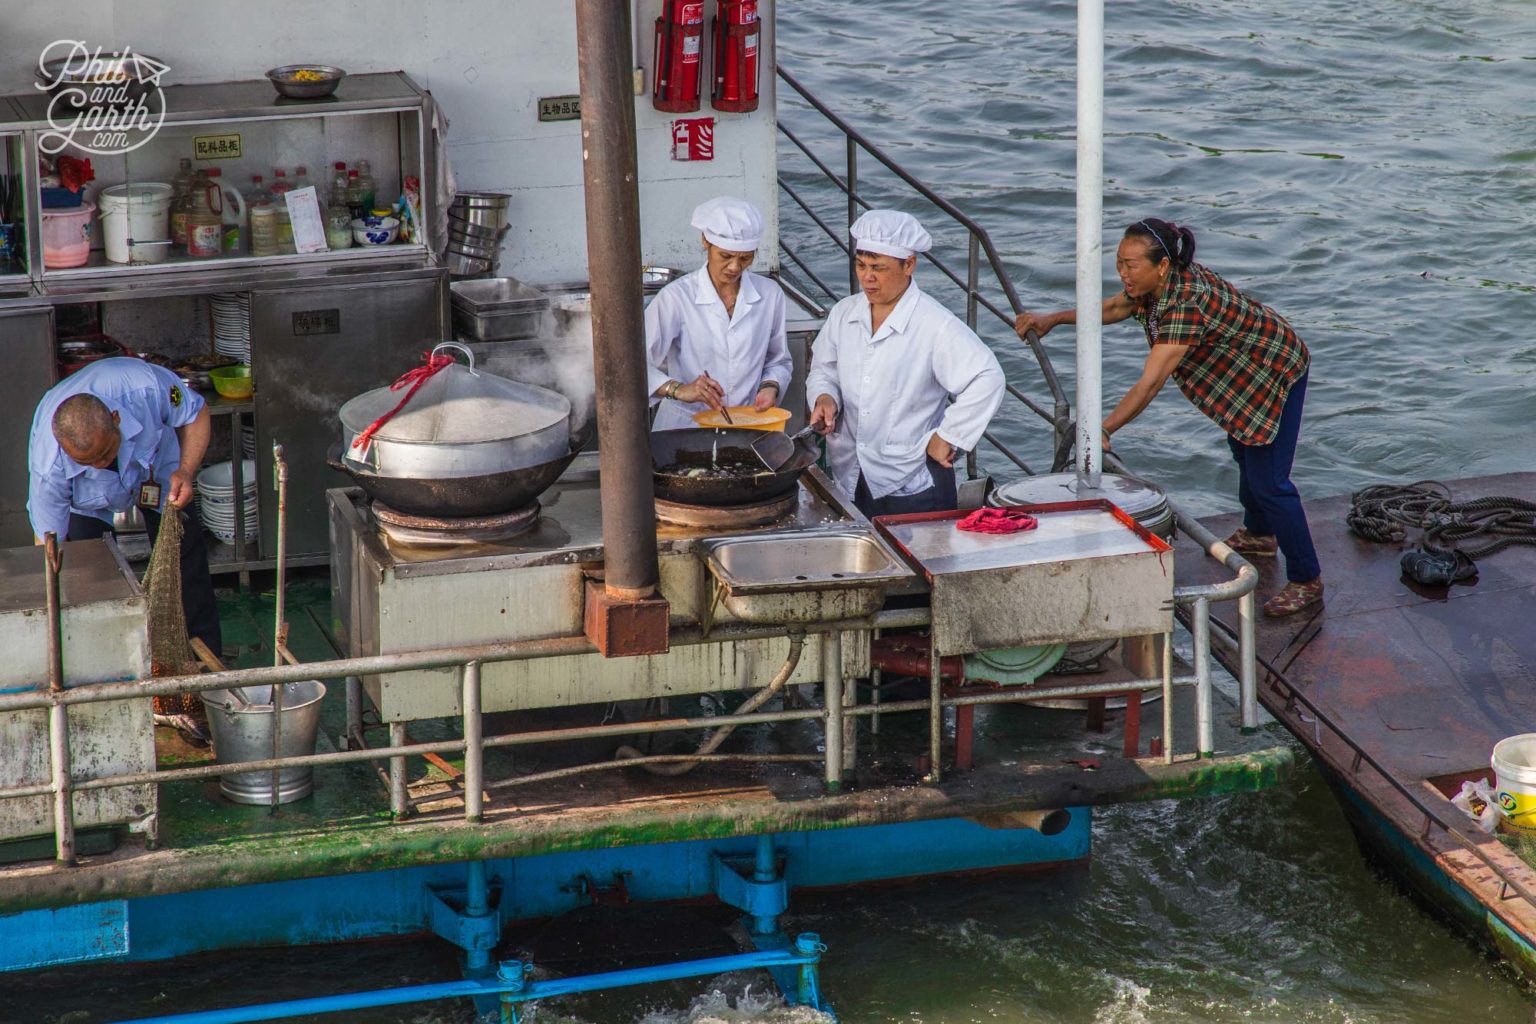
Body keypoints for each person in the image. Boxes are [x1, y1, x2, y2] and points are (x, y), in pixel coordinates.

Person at [1015, 217, 1322, 618]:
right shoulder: (1151, 286)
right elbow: (1112, 307)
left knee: (1271, 484)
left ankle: (1306, 578)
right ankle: (1261, 535)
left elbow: (1150, 382)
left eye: (1131, 265)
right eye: (1119, 263)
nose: (1123, 274)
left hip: (1273, 371)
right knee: (1244, 453)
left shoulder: (1185, 302)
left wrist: (1103, 427)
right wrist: (1052, 318)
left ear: (1161, 266)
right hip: (1239, 379)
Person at [805, 209, 1005, 518]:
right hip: (852, 474)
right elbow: (824, 368)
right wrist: (824, 397)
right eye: (861, 265)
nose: (867, 277)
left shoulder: (934, 324)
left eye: (878, 268)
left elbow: (987, 377)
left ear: (908, 264)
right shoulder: (844, 314)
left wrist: (948, 436)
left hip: (913, 483)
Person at [28, 356, 223, 654]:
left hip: (157, 469)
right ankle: (112, 663)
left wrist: (185, 470)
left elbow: (195, 413)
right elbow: (48, 545)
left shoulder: (146, 387)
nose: (100, 464)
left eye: (105, 454)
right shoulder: (48, 468)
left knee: (186, 560)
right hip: (87, 503)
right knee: (91, 581)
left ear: (116, 419)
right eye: (88, 462)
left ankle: (205, 661)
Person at [645, 196, 793, 432]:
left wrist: (770, 386)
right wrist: (679, 390)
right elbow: (632, 364)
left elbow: (778, 360)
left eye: (745, 258)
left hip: (747, 425)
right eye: (725, 256)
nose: (735, 267)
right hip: (685, 427)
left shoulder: (770, 295)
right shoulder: (677, 297)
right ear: (706, 241)